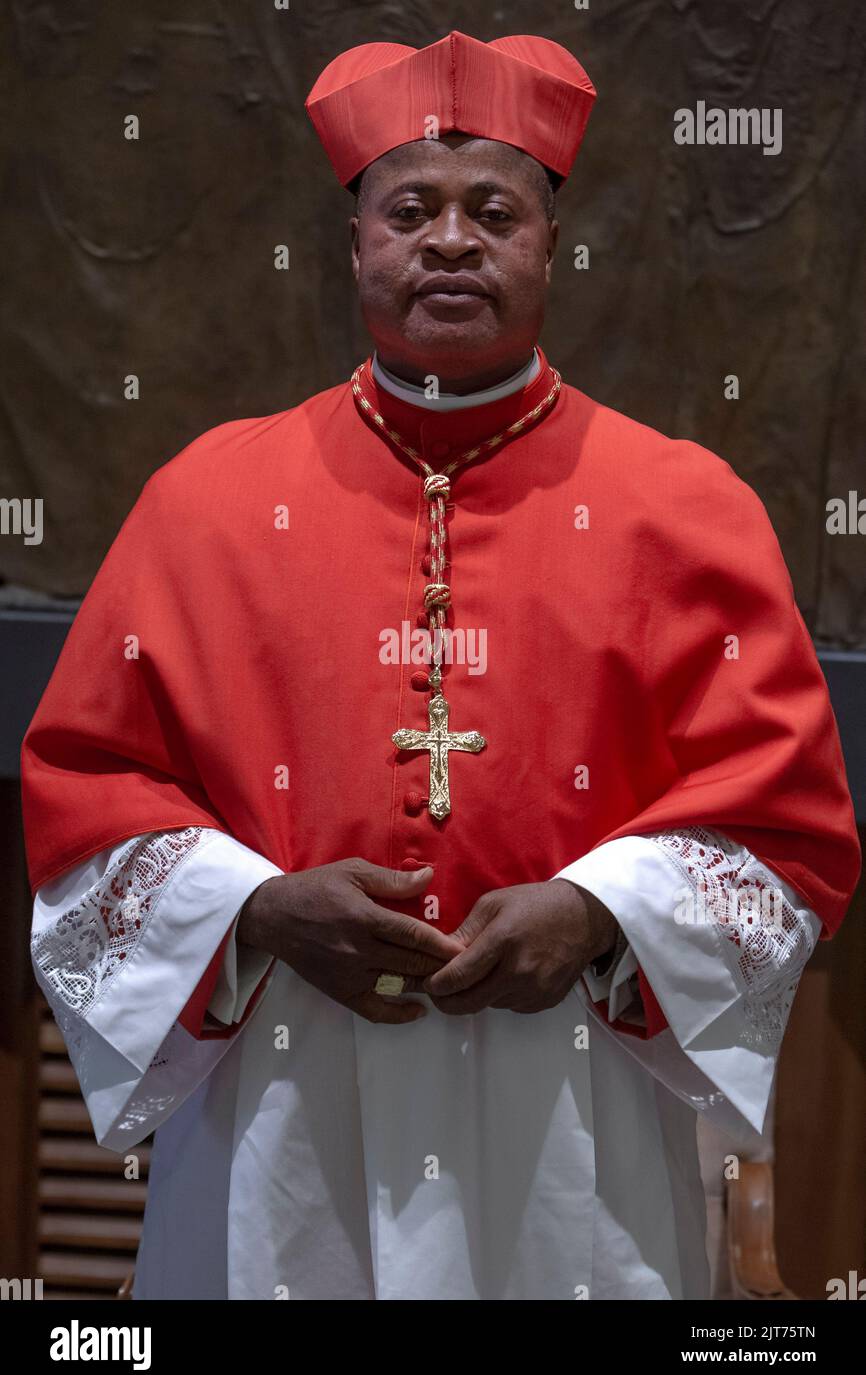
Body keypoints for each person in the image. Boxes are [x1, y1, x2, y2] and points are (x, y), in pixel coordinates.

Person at [22, 31, 860, 1300]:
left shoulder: (685, 511)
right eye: (411, 209)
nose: (452, 240)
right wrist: (252, 909)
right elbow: (85, 796)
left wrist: (596, 913)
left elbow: (783, 825)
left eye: (493, 211)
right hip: (281, 1095)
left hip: (573, 1095)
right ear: (356, 240)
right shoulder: (204, 502)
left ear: (547, 242)